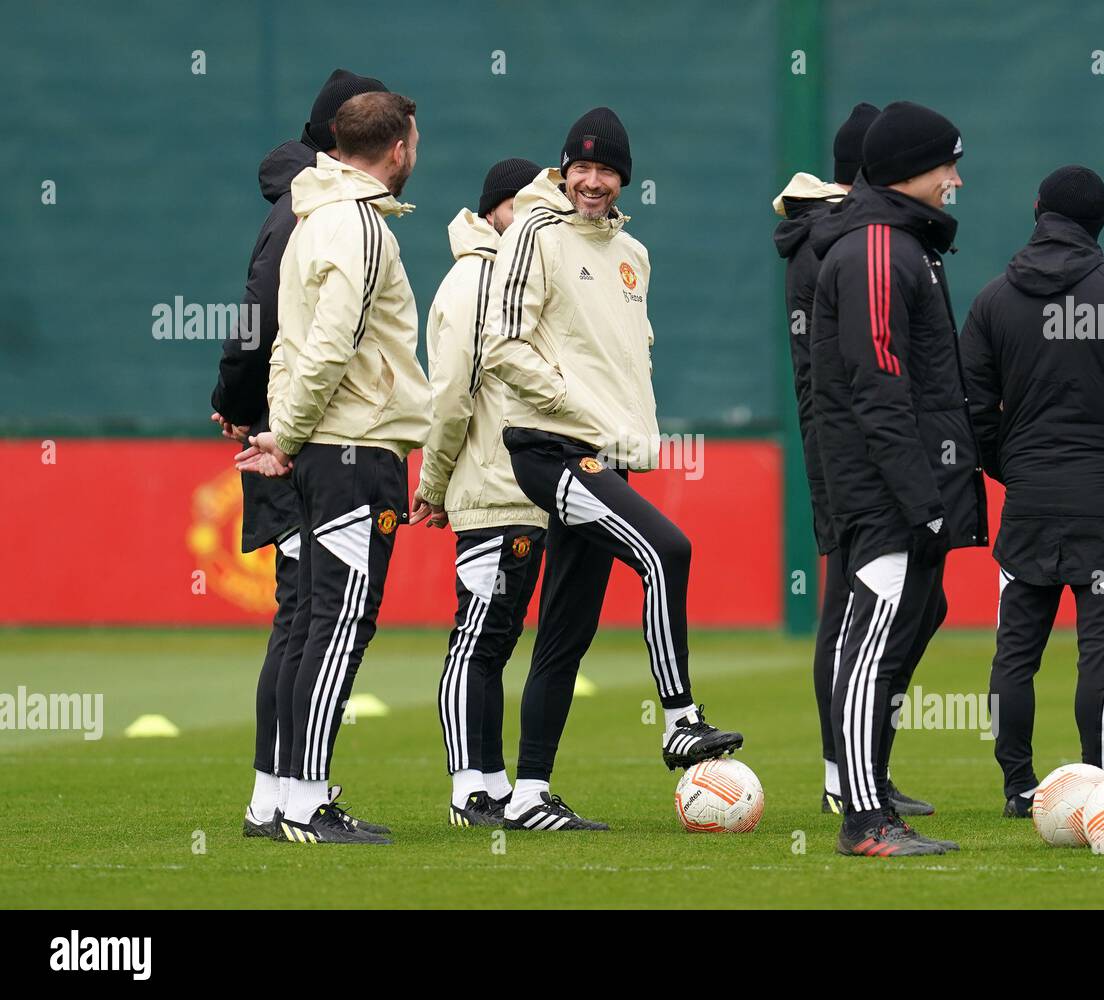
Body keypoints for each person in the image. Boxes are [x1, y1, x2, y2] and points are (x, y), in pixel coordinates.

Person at [479, 107, 744, 831]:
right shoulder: (534, 233)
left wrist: (618, 431)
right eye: (581, 169)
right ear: (563, 172)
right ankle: (680, 719)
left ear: (624, 177)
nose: (592, 182)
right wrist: (570, 404)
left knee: (566, 633)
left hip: (608, 458)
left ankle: (529, 794)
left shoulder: (633, 252)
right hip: (552, 450)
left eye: (606, 170)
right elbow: (500, 346)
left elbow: (627, 362)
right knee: (668, 550)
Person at [959, 165, 1104, 816]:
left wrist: (1013, 466)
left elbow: (967, 404)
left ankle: (1017, 788)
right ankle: (1100, 780)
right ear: (1099, 223)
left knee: (1016, 651)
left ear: (1038, 211)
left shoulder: (993, 300)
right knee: (1100, 652)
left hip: (1029, 501)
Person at [236, 91, 431, 844]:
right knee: (340, 622)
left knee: (315, 619)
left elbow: (292, 343)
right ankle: (307, 802)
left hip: (324, 446)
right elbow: (332, 344)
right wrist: (285, 433)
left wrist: (283, 432)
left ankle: (283, 796)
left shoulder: (315, 217)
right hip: (352, 450)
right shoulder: (356, 225)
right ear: (400, 149)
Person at [209, 67, 388, 838]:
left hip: (285, 430)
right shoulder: (315, 214)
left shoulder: (297, 208)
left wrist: (240, 406)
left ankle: (271, 799)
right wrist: (244, 409)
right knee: (310, 620)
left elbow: (254, 316)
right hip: (302, 437)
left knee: (296, 620)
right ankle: (292, 800)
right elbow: (262, 315)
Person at [810, 101, 987, 857]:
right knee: (869, 642)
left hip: (900, 482)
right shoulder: (877, 247)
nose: (956, 178)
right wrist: (922, 499)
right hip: (883, 488)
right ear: (911, 170)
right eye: (947, 163)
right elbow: (878, 387)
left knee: (886, 636)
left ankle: (873, 800)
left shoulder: (900, 243)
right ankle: (862, 819)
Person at [410, 158, 547, 827]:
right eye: (523, 208)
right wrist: (433, 484)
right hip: (491, 489)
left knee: (492, 643)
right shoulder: (478, 277)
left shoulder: (510, 275)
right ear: (497, 208)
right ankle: (470, 791)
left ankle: (491, 786)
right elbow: (452, 393)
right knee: (475, 641)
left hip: (516, 493)